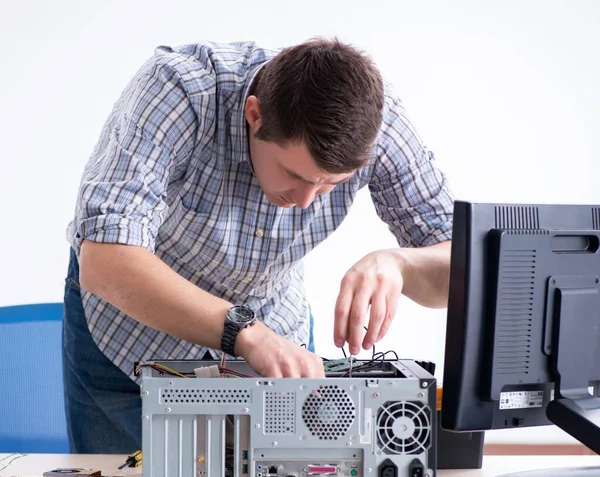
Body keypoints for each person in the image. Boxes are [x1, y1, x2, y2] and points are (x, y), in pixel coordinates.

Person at [62, 38, 454, 454]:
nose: (305, 201)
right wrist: (242, 331)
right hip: (130, 336)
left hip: (275, 344)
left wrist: (399, 263)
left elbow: (460, 266)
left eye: (330, 185)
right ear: (254, 115)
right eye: (294, 174)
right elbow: (106, 259)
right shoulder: (181, 90)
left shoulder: (378, 122)